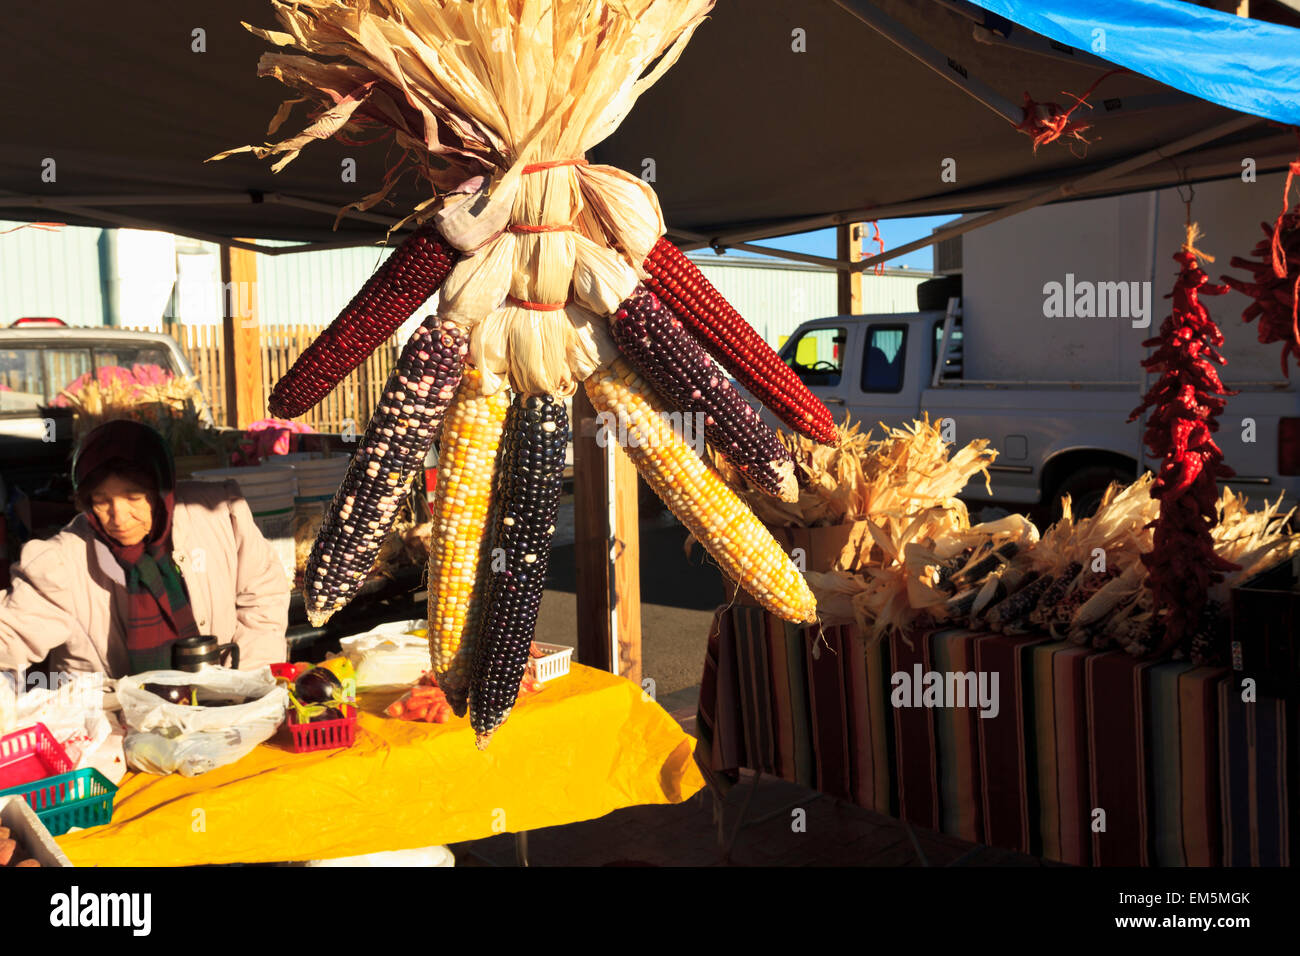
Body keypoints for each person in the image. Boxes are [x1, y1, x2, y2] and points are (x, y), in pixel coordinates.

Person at [0, 419, 289, 679]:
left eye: (134, 497)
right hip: (115, 725)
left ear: (161, 490)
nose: (118, 517)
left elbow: (263, 596)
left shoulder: (219, 516)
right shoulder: (62, 560)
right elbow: (11, 634)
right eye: (101, 501)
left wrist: (246, 685)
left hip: (222, 710)